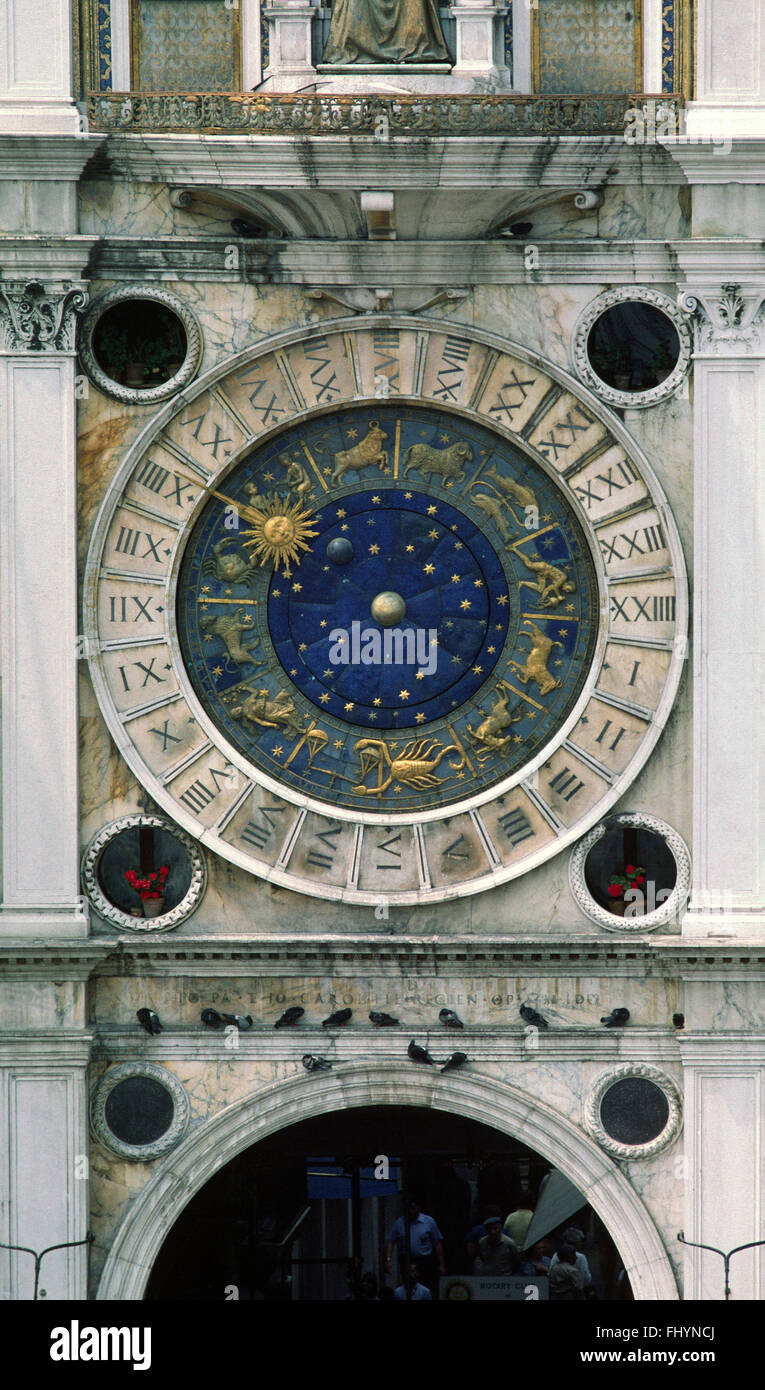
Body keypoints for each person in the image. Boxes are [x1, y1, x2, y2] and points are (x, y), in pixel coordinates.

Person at [386, 1198, 445, 1294]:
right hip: (407, 1259)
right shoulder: (400, 1222)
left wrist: (442, 1264)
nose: (410, 1211)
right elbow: (391, 1240)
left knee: (426, 1287)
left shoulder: (428, 1221)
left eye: (413, 1208)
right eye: (408, 1208)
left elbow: (437, 1243)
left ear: (418, 1208)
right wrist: (388, 1259)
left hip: (424, 1259)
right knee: (408, 1287)